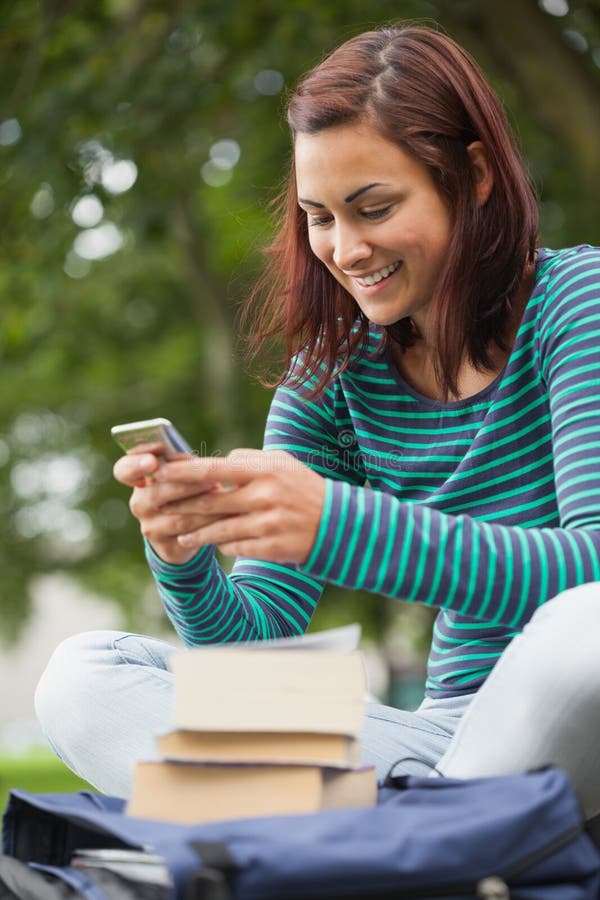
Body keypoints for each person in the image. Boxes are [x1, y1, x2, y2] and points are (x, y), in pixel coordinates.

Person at [35, 24, 600, 818]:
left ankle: (383, 826)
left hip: (568, 713)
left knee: (590, 625)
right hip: (440, 746)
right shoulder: (332, 375)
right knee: (84, 678)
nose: (347, 248)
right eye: (320, 216)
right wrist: (184, 554)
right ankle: (430, 829)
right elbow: (255, 650)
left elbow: (591, 572)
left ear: (473, 177)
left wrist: (338, 526)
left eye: (375, 207)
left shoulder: (576, 303)